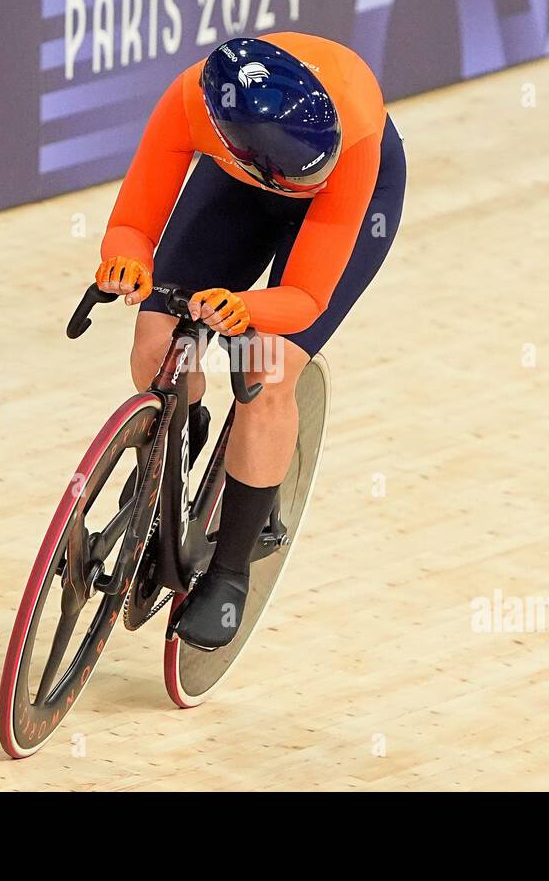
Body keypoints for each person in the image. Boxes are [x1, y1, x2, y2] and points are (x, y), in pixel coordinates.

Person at [95, 33, 406, 649]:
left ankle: (231, 571)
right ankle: (172, 451)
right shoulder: (192, 99)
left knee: (264, 367)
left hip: (347, 199)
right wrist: (124, 262)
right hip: (239, 176)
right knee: (158, 339)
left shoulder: (355, 135)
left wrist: (244, 308)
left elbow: (305, 299)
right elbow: (133, 224)